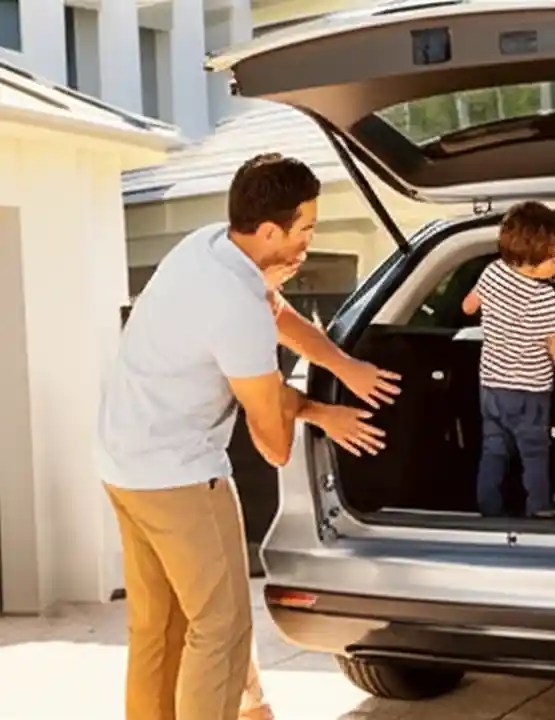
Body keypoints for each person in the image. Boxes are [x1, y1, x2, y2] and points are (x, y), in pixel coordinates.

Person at [98, 153, 400, 720]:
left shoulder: (211, 245)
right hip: (180, 478)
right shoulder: (235, 308)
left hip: (124, 462)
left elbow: (277, 309)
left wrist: (340, 364)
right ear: (268, 231)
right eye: (305, 228)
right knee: (221, 629)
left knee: (157, 628)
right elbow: (273, 444)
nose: (310, 240)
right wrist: (319, 411)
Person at [462, 201, 555, 518]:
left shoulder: (492, 272)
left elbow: (468, 307)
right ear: (532, 260)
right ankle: (539, 508)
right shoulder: (542, 297)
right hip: (528, 393)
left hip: (491, 388)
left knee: (493, 450)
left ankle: (488, 510)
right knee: (535, 454)